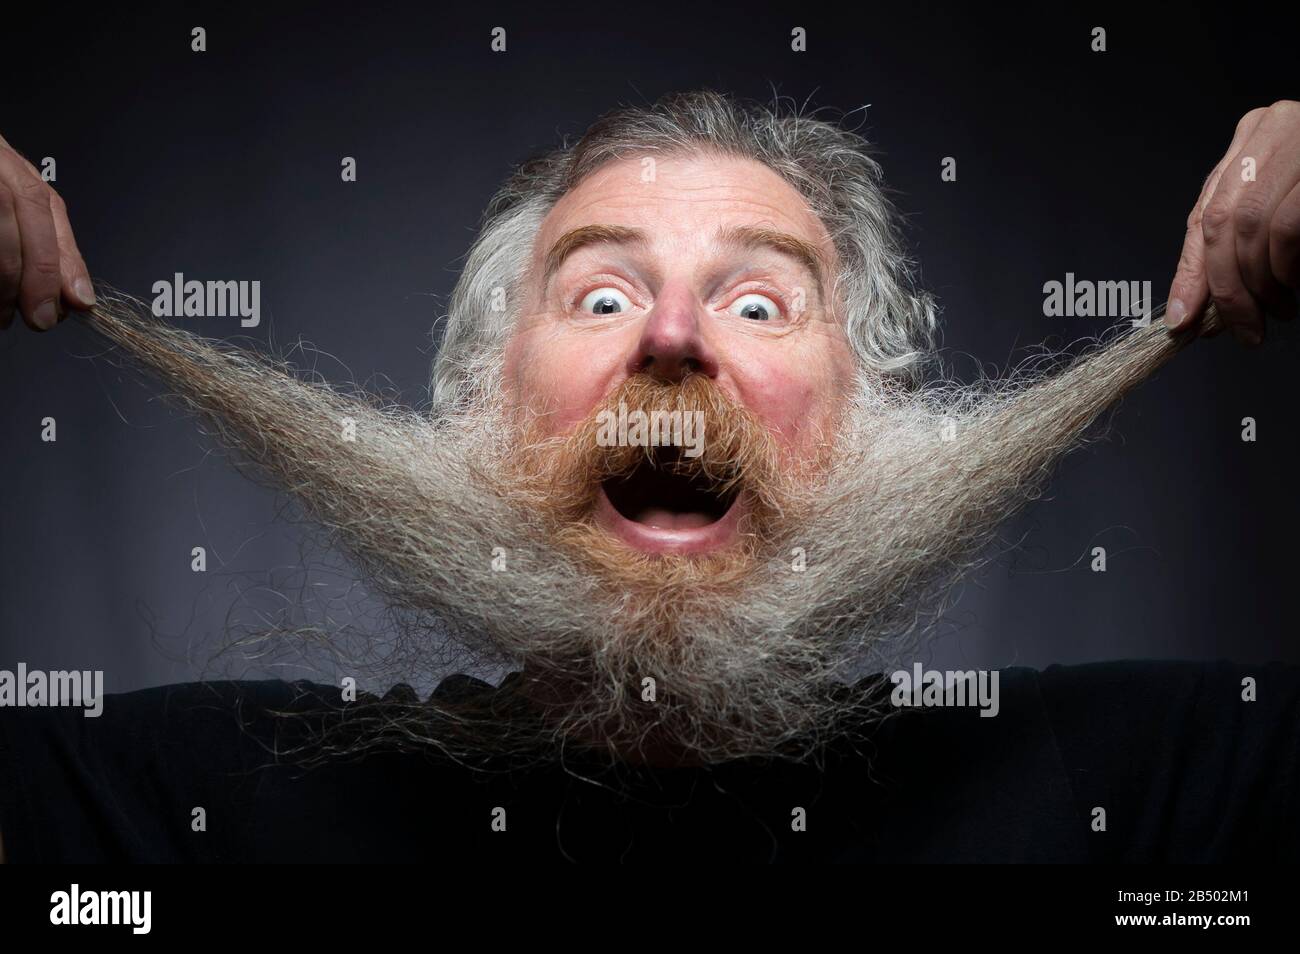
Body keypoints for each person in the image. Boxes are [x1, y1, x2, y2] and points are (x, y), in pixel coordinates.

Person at [1, 91, 1298, 863]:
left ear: (870, 416)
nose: (671, 340)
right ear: (480, 404)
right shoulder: (186, 815)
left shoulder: (1147, 793)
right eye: (604, 291)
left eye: (757, 301)